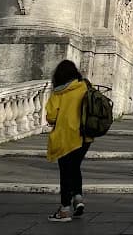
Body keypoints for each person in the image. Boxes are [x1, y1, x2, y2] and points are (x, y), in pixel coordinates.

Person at [45, 60, 90, 222]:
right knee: (75, 168)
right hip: (85, 137)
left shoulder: (58, 92)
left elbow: (51, 117)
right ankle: (78, 199)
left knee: (65, 173)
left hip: (66, 137)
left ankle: (64, 210)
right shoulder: (84, 86)